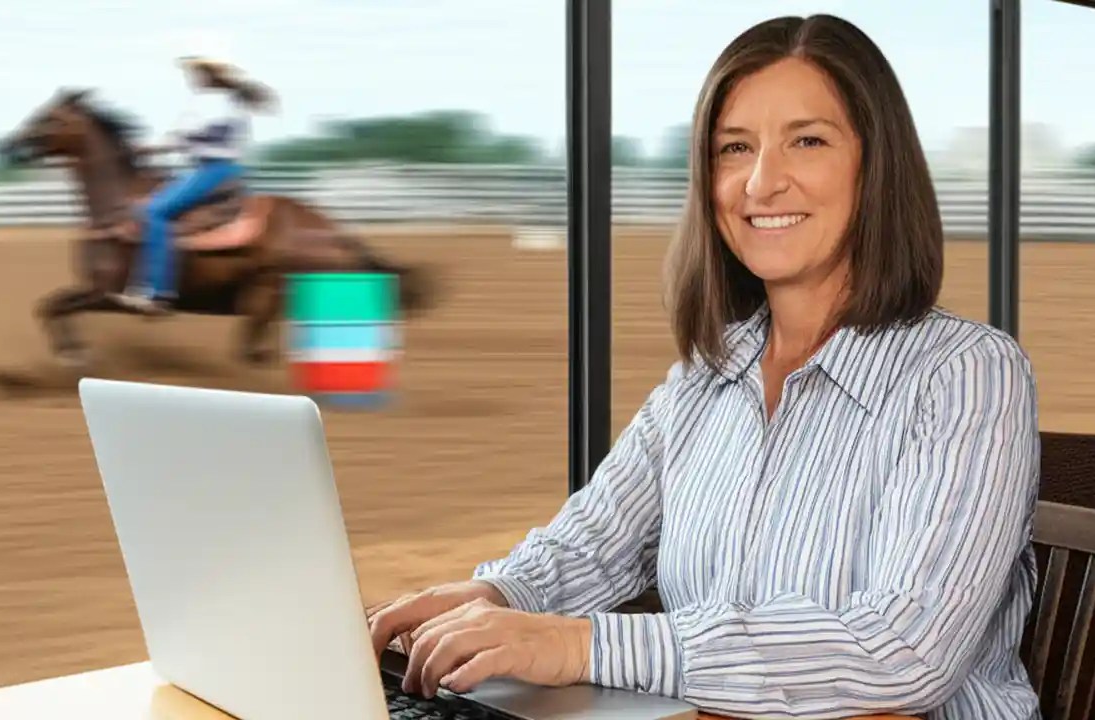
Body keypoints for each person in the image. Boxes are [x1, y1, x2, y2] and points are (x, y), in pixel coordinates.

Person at [367, 14, 1041, 720]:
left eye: (807, 141)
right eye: (733, 148)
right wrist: (500, 596)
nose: (761, 182)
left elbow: (903, 652)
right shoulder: (701, 379)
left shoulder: (968, 374)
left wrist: (582, 645)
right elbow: (592, 544)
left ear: (877, 166)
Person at [117, 54, 275, 314]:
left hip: (213, 172)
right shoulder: (231, 101)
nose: (191, 76)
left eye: (194, 71)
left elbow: (188, 134)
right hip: (218, 170)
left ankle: (157, 292)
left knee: (154, 212)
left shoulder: (212, 102)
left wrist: (150, 148)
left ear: (208, 74)